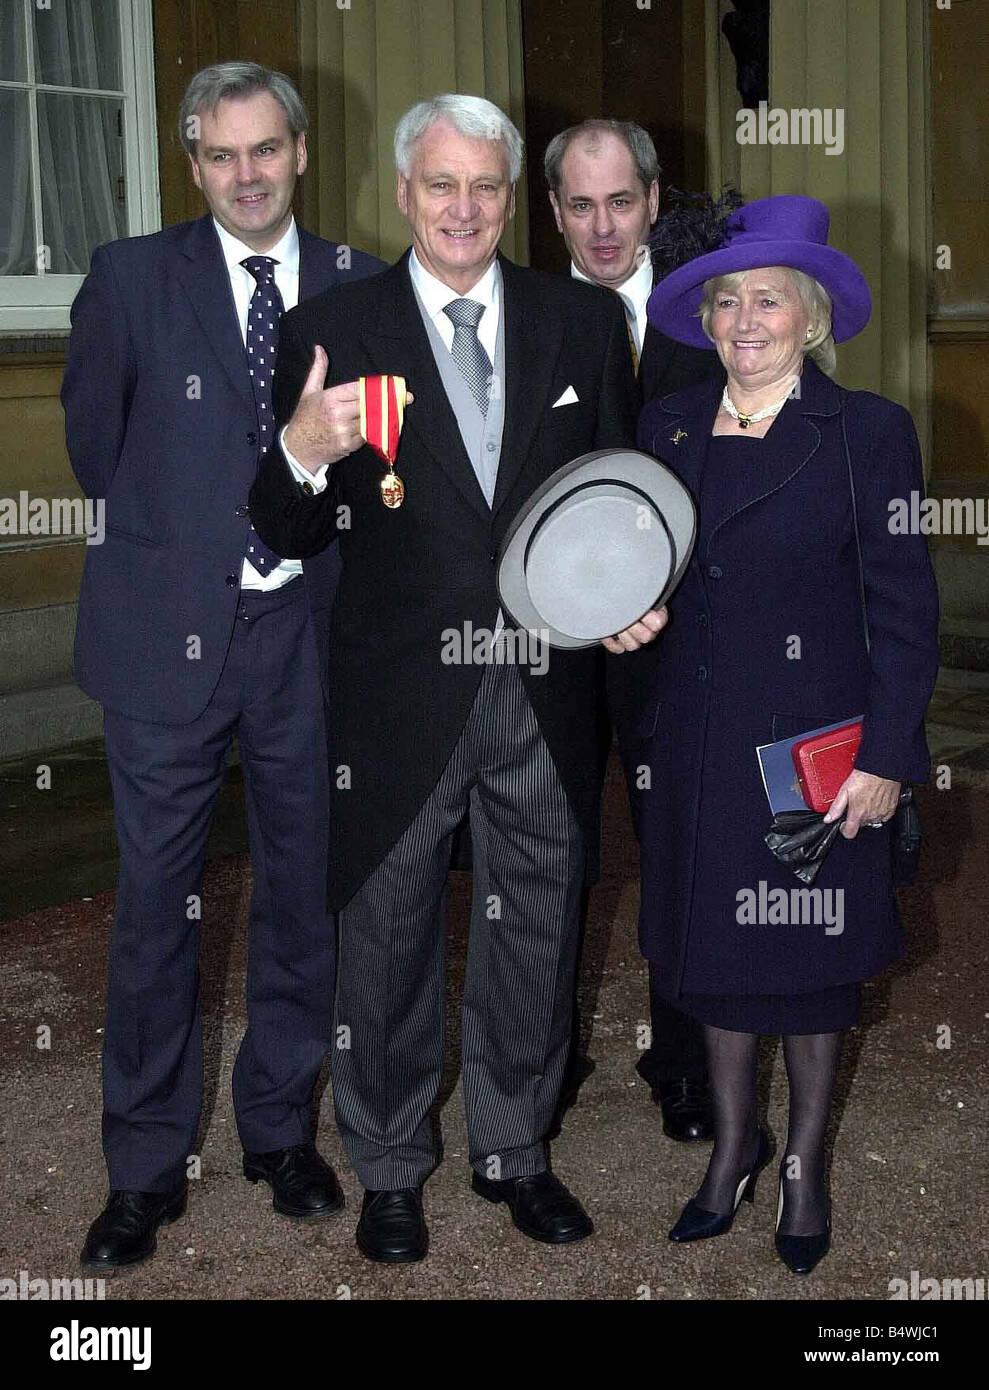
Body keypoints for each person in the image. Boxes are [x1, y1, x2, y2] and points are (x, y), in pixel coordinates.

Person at [249, 93, 665, 1264]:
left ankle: (512, 1150)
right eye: (442, 185)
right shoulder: (337, 326)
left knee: (535, 922)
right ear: (402, 193)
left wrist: (629, 596)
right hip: (397, 696)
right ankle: (386, 1164)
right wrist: (302, 449)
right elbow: (283, 527)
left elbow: (614, 498)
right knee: (383, 937)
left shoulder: (578, 321)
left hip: (542, 684)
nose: (465, 208)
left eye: (484, 185)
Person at [62, 61, 384, 1271]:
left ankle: (276, 1131)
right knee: (155, 911)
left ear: (300, 151)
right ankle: (142, 1167)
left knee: (304, 894)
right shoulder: (129, 278)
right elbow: (98, 455)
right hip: (162, 642)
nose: (245, 175)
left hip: (308, 640)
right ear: (192, 165)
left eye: (265, 150)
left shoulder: (360, 287)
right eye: (219, 155)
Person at [630, 195, 939, 1273]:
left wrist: (888, 757)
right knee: (713, 960)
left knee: (805, 966)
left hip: (812, 754)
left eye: (766, 299)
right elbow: (635, 569)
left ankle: (801, 1167)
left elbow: (904, 610)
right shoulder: (663, 425)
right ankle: (729, 1153)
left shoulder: (865, 432)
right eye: (725, 300)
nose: (743, 319)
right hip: (699, 747)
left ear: (808, 319)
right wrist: (625, 616)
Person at [545, 118, 722, 1140]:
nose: (602, 227)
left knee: (683, 851)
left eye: (620, 201)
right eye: (580, 204)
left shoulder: (713, 318)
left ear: (653, 202)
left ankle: (684, 1061)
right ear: (555, 212)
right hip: (557, 640)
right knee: (548, 856)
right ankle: (545, 1054)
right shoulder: (520, 317)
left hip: (680, 636)